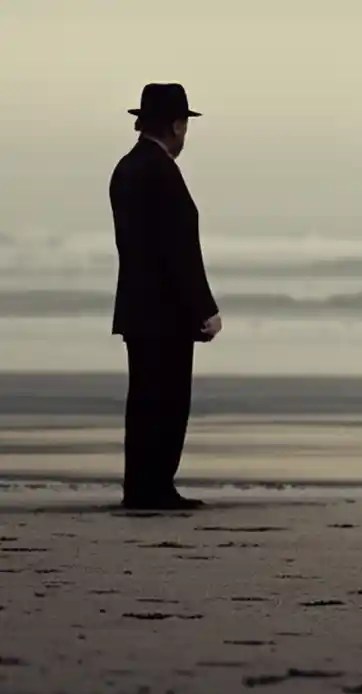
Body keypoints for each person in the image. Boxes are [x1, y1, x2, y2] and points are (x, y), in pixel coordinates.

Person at [109, 83, 221, 510]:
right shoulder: (161, 172)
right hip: (167, 310)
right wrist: (204, 308)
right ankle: (156, 487)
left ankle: (140, 485)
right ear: (176, 125)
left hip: (137, 306)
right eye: (184, 126)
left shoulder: (126, 168)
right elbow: (178, 250)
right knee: (169, 403)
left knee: (143, 401)